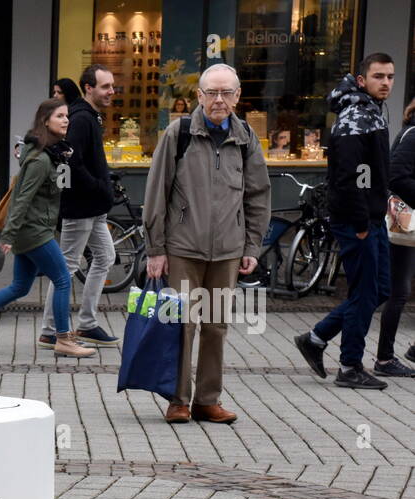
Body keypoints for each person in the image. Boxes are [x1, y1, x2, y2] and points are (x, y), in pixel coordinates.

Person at [143, 63, 270, 424]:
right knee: (182, 323)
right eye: (211, 93)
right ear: (198, 96)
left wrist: (251, 247)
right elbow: (156, 192)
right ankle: (178, 399)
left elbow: (258, 194)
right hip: (183, 247)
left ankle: (207, 400)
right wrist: (156, 249)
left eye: (226, 92)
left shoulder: (245, 137)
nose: (219, 100)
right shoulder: (178, 133)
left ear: (238, 96)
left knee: (216, 326)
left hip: (228, 250)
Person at [0, 99, 93, 358]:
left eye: (66, 116)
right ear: (45, 121)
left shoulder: (51, 152)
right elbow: (22, 198)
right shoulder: (39, 160)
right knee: (62, 279)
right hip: (32, 230)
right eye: (60, 116)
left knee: (20, 287)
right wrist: (10, 234)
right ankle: (63, 339)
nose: (66, 120)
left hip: (34, 228)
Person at [295, 54, 396, 390]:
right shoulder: (355, 117)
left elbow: (373, 173)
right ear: (362, 79)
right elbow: (349, 176)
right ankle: (350, 366)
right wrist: (361, 220)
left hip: (371, 217)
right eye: (378, 76)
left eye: (390, 77)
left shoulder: (371, 112)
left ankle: (316, 337)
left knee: (379, 289)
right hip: (358, 221)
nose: (386, 82)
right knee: (365, 292)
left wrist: (379, 208)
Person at [38, 64, 120, 351]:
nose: (111, 91)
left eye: (112, 86)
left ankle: (87, 323)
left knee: (105, 257)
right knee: (67, 267)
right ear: (88, 88)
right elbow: (69, 158)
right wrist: (97, 186)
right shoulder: (82, 118)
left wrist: (103, 184)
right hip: (80, 206)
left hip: (93, 208)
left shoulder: (89, 117)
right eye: (105, 86)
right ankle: (50, 331)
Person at [378, 97, 415, 375]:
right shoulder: (414, 134)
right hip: (406, 224)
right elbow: (396, 176)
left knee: (397, 291)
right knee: (397, 292)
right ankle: (385, 358)